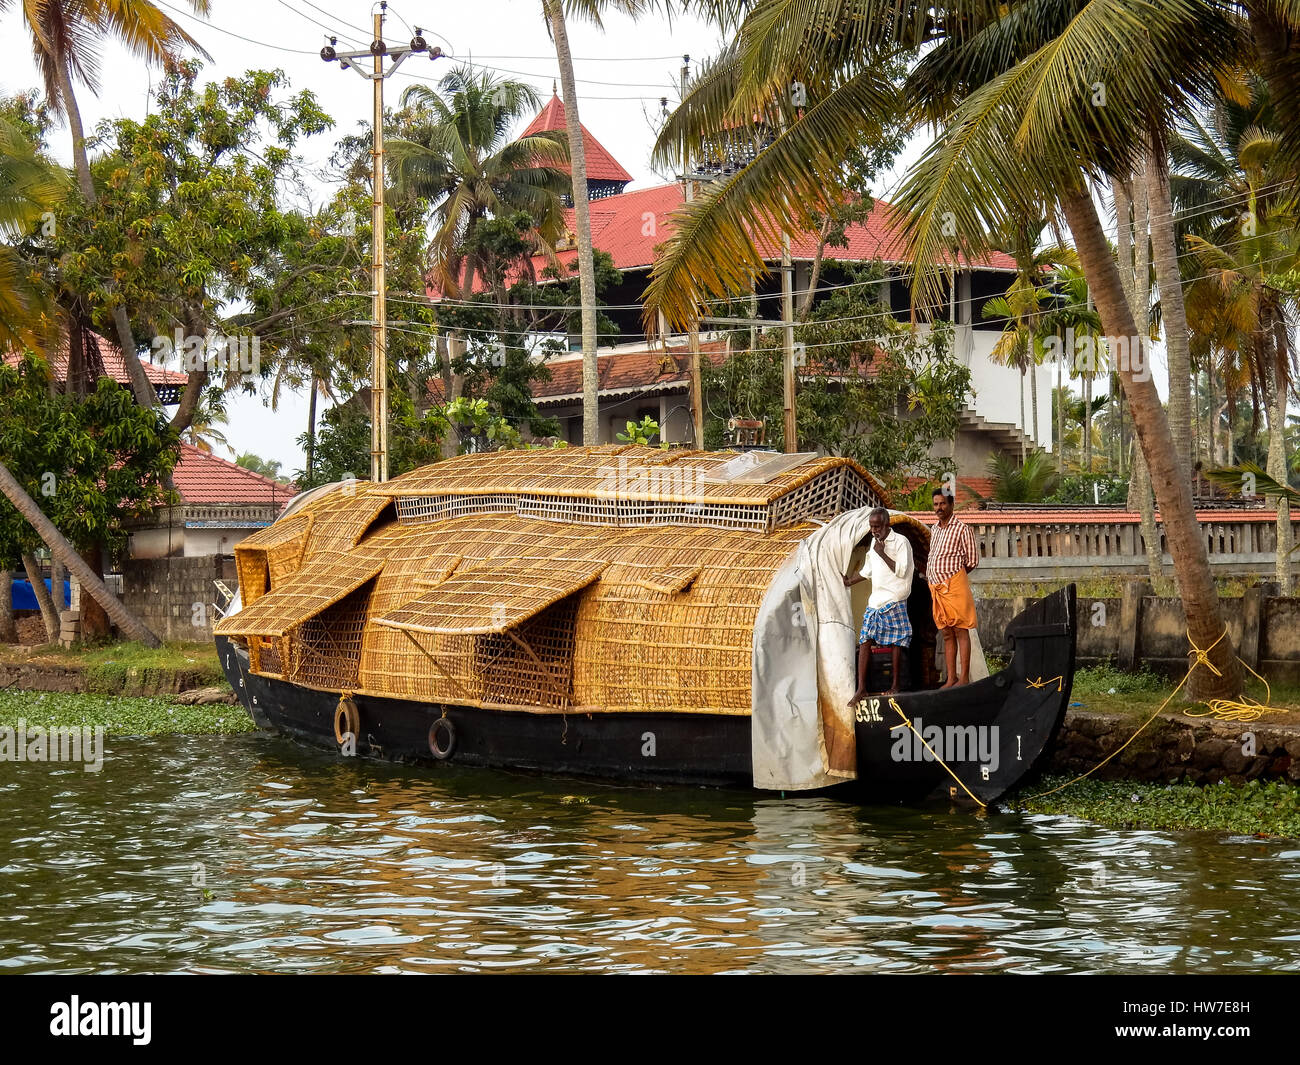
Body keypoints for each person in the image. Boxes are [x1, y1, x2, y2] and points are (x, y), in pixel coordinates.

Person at [844, 507, 914, 703]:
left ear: (887, 525)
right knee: (865, 640)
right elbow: (868, 570)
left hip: (895, 599)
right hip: (875, 601)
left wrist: (883, 553)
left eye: (877, 527)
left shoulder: (901, 542)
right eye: (872, 527)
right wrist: (850, 581)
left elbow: (902, 571)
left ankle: (895, 686)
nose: (874, 531)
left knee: (896, 643)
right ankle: (862, 689)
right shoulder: (874, 543)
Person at [927, 487, 979, 687]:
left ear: (951, 505)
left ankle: (964, 678)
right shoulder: (934, 529)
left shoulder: (962, 529)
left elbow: (972, 560)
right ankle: (951, 678)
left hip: (955, 585)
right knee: (946, 633)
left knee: (960, 631)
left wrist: (953, 579)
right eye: (936, 504)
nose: (939, 508)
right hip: (937, 589)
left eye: (942, 504)